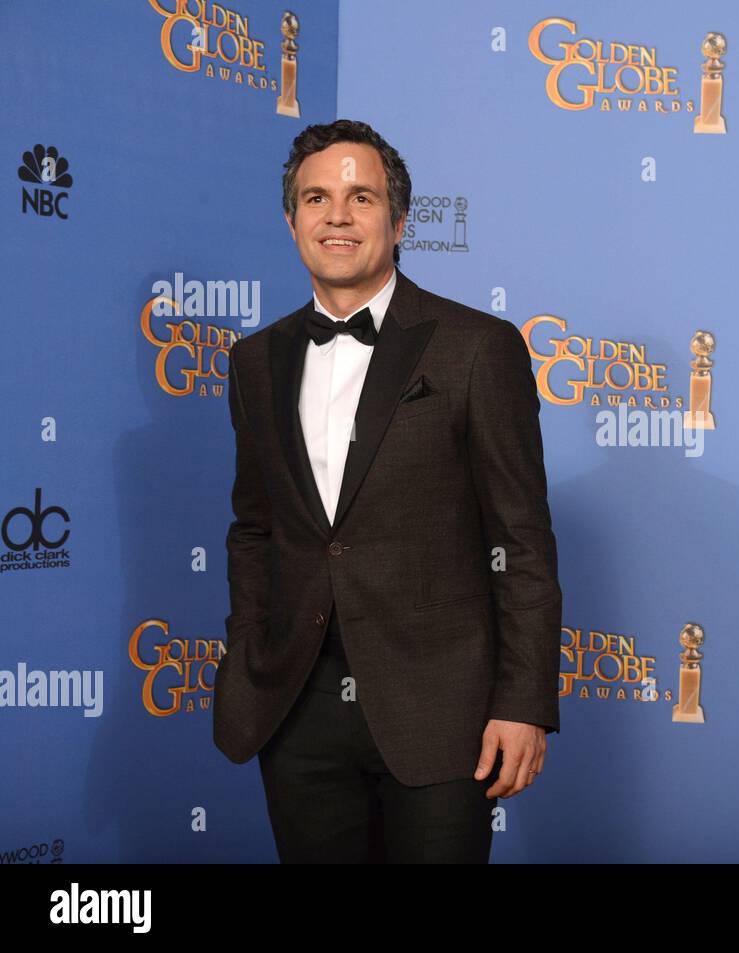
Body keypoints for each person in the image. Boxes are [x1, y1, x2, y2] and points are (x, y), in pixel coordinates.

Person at [212, 119, 561, 863]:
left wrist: (522, 702)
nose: (336, 216)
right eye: (316, 198)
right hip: (295, 710)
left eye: (361, 197)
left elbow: (521, 540)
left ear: (398, 222)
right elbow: (254, 527)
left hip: (442, 713)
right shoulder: (254, 360)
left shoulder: (476, 348)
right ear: (291, 220)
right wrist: (250, 645)